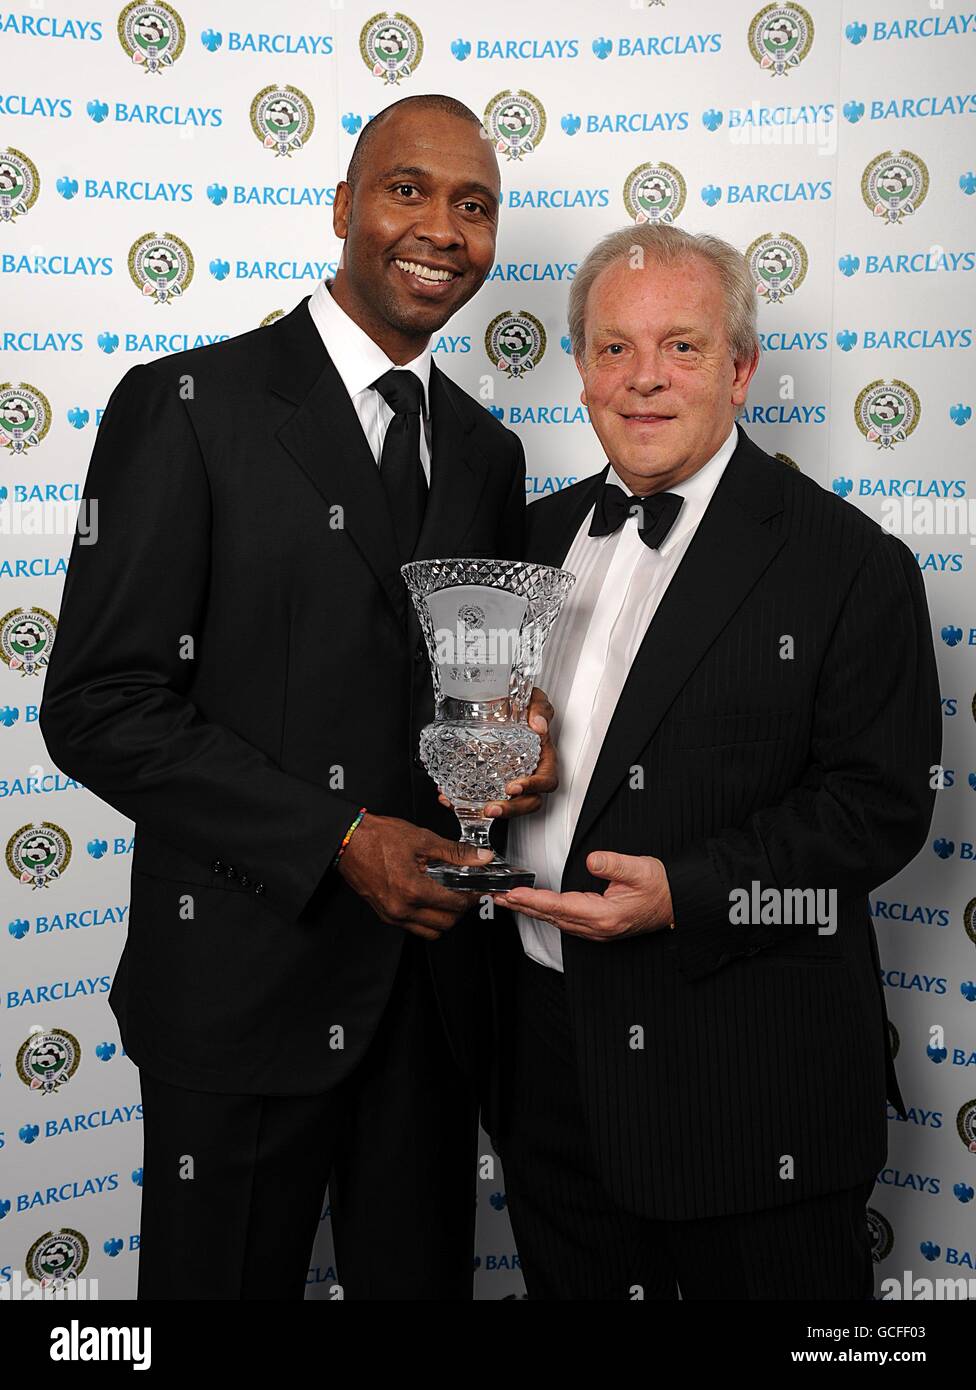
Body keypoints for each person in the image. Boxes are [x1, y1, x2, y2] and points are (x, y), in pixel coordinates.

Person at [38, 93, 555, 1301]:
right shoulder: (185, 407)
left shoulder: (485, 452)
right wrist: (337, 841)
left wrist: (513, 740)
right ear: (341, 207)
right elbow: (102, 705)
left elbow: (457, 696)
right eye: (409, 189)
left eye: (473, 205)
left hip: (432, 1001)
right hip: (240, 991)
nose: (442, 227)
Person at [489, 222, 941, 1300]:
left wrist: (686, 896)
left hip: (750, 1076)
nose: (642, 380)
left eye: (681, 348)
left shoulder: (850, 565)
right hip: (546, 1059)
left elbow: (875, 809)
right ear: (581, 368)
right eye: (612, 349)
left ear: (739, 371)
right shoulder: (522, 541)